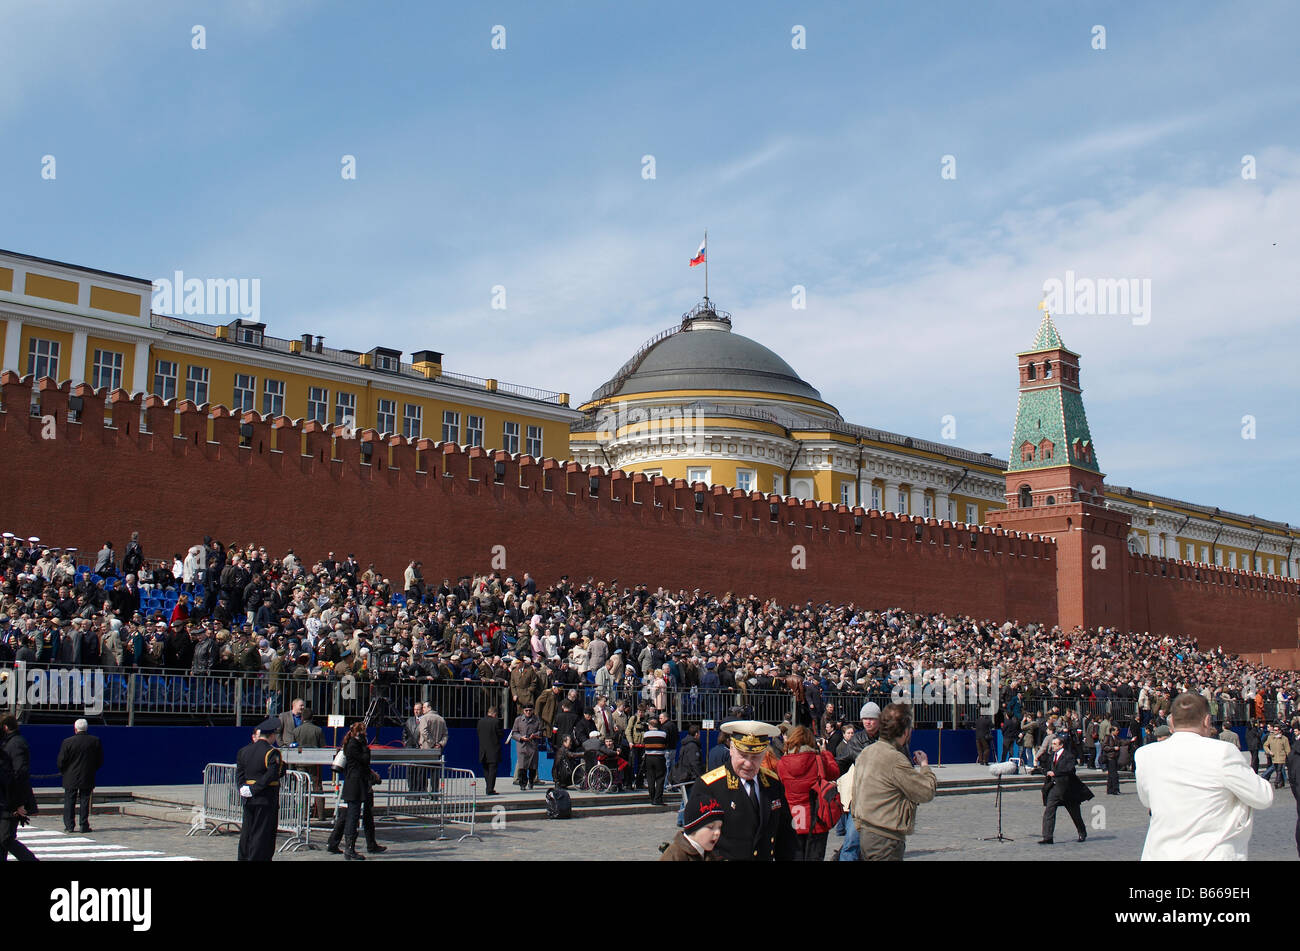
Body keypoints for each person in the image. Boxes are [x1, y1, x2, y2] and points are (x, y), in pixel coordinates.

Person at [1134, 692, 1273, 860]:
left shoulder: (1145, 754)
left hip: (1160, 853)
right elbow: (1262, 796)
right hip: (1210, 853)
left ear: (1172, 721)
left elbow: (1146, 801)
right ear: (1207, 720)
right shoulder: (1222, 752)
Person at [683, 720, 796, 861]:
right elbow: (694, 843)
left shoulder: (772, 783)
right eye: (743, 755)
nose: (748, 764)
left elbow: (786, 835)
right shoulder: (710, 786)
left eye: (755, 757)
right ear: (731, 749)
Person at [850, 703, 935, 861]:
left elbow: (855, 792)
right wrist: (925, 767)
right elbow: (926, 791)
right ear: (905, 731)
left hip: (867, 831)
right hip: (885, 836)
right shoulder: (894, 759)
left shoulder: (867, 752)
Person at [777, 724, 841, 861]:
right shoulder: (817, 759)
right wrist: (825, 752)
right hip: (816, 819)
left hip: (793, 819)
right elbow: (834, 772)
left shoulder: (782, 763)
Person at [235, 717, 284, 861]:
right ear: (272, 736)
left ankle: (243, 857)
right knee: (262, 834)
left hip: (249, 797)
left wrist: (243, 788)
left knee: (247, 832)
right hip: (266, 797)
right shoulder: (271, 752)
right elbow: (271, 774)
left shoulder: (244, 751)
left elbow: (240, 773)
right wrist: (255, 789)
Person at [1035, 733, 1092, 845]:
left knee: (1075, 813)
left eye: (1055, 744)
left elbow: (1070, 770)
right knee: (1049, 811)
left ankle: (1082, 832)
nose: (1052, 746)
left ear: (1061, 745)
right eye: (1052, 744)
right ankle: (1048, 837)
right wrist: (1045, 771)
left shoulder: (1068, 756)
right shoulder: (1052, 756)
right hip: (1054, 787)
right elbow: (1046, 767)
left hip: (1067, 788)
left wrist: (1055, 773)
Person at [335, 722, 380, 861]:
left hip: (355, 783)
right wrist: (366, 747)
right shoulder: (355, 745)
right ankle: (349, 849)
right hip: (355, 784)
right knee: (352, 817)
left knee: (354, 815)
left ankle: (348, 845)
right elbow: (364, 760)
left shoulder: (350, 744)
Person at [0, 715, 38, 862]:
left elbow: (20, 774)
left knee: (5, 838)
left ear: (5, 727)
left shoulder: (15, 743)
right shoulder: (7, 743)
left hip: (11, 798)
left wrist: (19, 803)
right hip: (5, 797)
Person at [56, 718, 104, 833]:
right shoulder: (95, 741)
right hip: (87, 774)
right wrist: (92, 769)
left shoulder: (67, 742)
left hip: (70, 775)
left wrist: (64, 771)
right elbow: (99, 760)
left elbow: (61, 761)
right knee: (85, 800)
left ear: (75, 729)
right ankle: (84, 825)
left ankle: (69, 825)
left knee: (69, 800)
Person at [658, 795, 725, 861]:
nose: (717, 832)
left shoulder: (707, 851)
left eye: (719, 827)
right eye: (710, 827)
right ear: (694, 828)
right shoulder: (675, 855)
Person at [510, 702, 544, 790]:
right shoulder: (518, 720)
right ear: (523, 711)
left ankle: (531, 782)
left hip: (533, 746)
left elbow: (541, 732)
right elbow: (514, 733)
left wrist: (535, 735)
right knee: (522, 767)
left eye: (530, 710)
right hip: (522, 746)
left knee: (533, 767)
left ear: (533, 711)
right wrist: (521, 737)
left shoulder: (537, 720)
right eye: (526, 710)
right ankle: (522, 784)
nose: (528, 712)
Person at [477, 706, 504, 795]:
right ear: (495, 714)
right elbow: (500, 734)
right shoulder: (496, 721)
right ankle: (490, 789)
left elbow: (478, 733)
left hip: (483, 750)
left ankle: (488, 786)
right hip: (493, 750)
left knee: (486, 769)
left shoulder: (480, 722)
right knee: (493, 770)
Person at [642, 717, 668, 805]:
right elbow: (665, 744)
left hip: (649, 758)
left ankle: (652, 798)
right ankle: (658, 798)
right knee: (660, 778)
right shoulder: (663, 734)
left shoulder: (646, 734)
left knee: (650, 778)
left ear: (649, 726)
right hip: (659, 757)